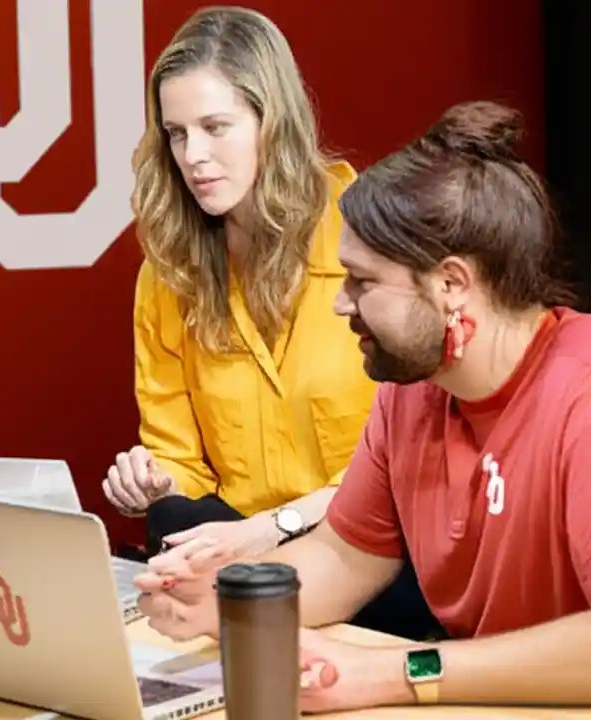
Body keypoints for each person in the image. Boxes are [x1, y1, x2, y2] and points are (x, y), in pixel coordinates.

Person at [135, 100, 591, 712]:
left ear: (451, 284)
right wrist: (222, 601)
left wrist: (395, 672)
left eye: (363, 282)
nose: (341, 304)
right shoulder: (410, 395)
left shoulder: (579, 394)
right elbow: (345, 555)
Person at [98, 6, 435, 636]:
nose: (193, 155)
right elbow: (184, 467)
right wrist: (152, 476)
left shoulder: (376, 246)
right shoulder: (168, 273)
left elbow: (413, 471)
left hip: (375, 551)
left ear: (271, 123)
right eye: (176, 134)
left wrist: (272, 530)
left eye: (216, 127)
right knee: (171, 522)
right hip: (239, 550)